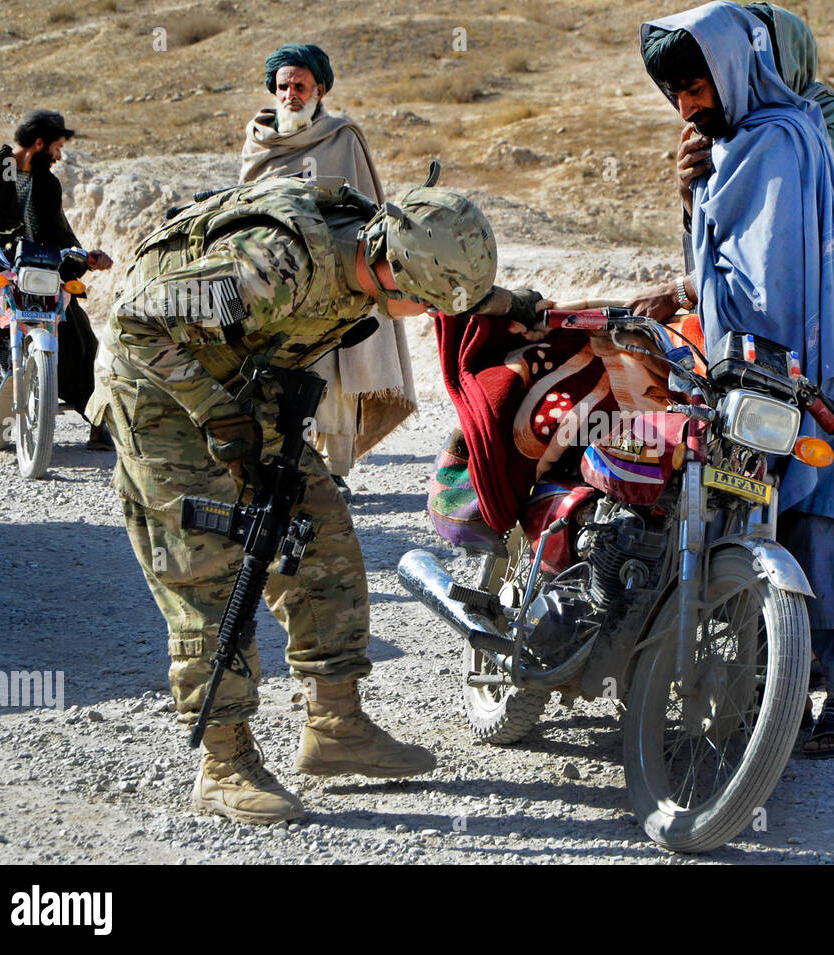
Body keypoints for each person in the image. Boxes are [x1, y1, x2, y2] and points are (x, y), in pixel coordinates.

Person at [86, 175, 549, 823]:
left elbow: (448, 290)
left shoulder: (384, 252)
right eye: (425, 302)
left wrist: (513, 304)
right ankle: (224, 764)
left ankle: (336, 727)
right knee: (208, 572)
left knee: (322, 539)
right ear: (390, 272)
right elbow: (137, 323)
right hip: (164, 396)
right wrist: (217, 416)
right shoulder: (274, 267)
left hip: (245, 387)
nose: (429, 314)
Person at [631, 2, 834, 695]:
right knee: (745, 507)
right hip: (749, 364)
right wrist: (692, 193)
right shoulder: (729, 135)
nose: (689, 105)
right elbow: (730, 255)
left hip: (823, 358)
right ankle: (771, 674)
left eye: (699, 85)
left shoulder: (809, 133)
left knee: (832, 512)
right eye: (679, 94)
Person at [241, 43, 417, 497]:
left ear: (319, 89)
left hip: (336, 278)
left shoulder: (343, 137)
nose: (291, 95)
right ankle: (283, 462)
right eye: (283, 87)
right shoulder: (259, 140)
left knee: (335, 372)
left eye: (300, 86)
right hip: (277, 281)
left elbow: (367, 212)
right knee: (276, 369)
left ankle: (333, 469)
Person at [0, 110, 113, 446]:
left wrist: (84, 257)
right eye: (57, 148)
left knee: (79, 332)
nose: (59, 157)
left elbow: (60, 232)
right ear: (39, 144)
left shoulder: (46, 184)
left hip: (36, 270)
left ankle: (97, 419)